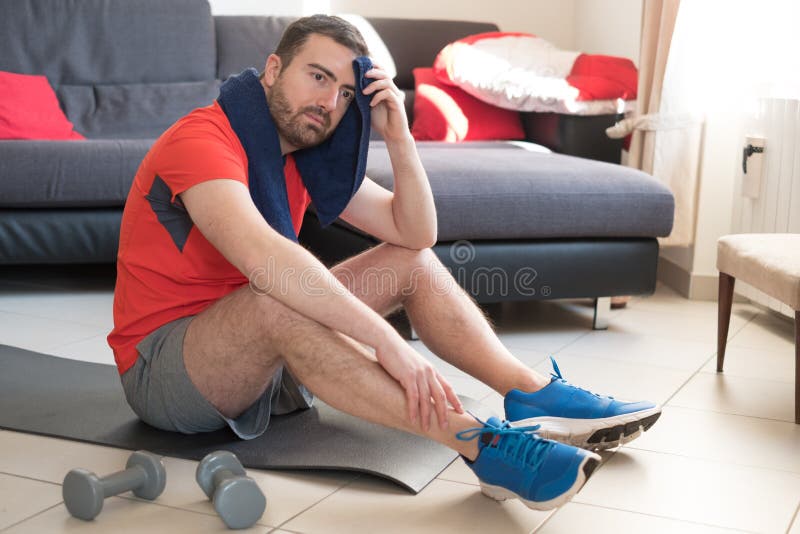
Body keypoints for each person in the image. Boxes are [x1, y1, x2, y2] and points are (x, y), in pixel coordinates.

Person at [108, 15, 661, 511]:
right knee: (275, 295)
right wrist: (389, 343)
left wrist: (400, 137)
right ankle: (480, 444)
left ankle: (531, 394)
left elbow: (417, 233)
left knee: (409, 262)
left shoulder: (304, 156)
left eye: (346, 92)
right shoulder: (201, 140)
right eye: (317, 76)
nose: (328, 101)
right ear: (273, 69)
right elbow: (268, 263)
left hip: (258, 358)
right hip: (167, 368)